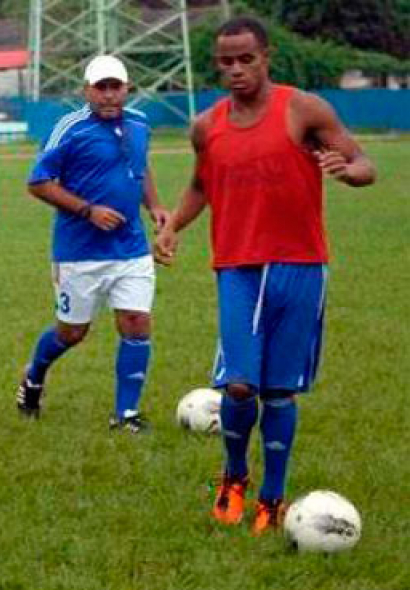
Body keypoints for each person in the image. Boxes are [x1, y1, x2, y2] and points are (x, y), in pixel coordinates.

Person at [154, 17, 375, 533]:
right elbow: (201, 185)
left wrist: (349, 173)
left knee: (278, 393)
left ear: (265, 57)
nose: (235, 70)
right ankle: (234, 477)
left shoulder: (303, 109)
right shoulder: (206, 125)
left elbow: (363, 161)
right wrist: (173, 228)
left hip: (299, 266)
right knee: (238, 387)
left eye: (245, 59)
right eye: (226, 62)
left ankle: (272, 499)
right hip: (237, 268)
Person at [16, 55, 169, 433]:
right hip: (79, 252)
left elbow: (141, 165)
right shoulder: (70, 128)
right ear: (86, 91)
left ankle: (126, 415)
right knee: (72, 333)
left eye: (115, 87)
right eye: (100, 88)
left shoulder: (139, 124)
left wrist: (155, 206)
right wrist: (88, 211)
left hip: (130, 249)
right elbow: (38, 182)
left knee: (136, 323)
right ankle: (34, 376)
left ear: (127, 88)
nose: (109, 95)